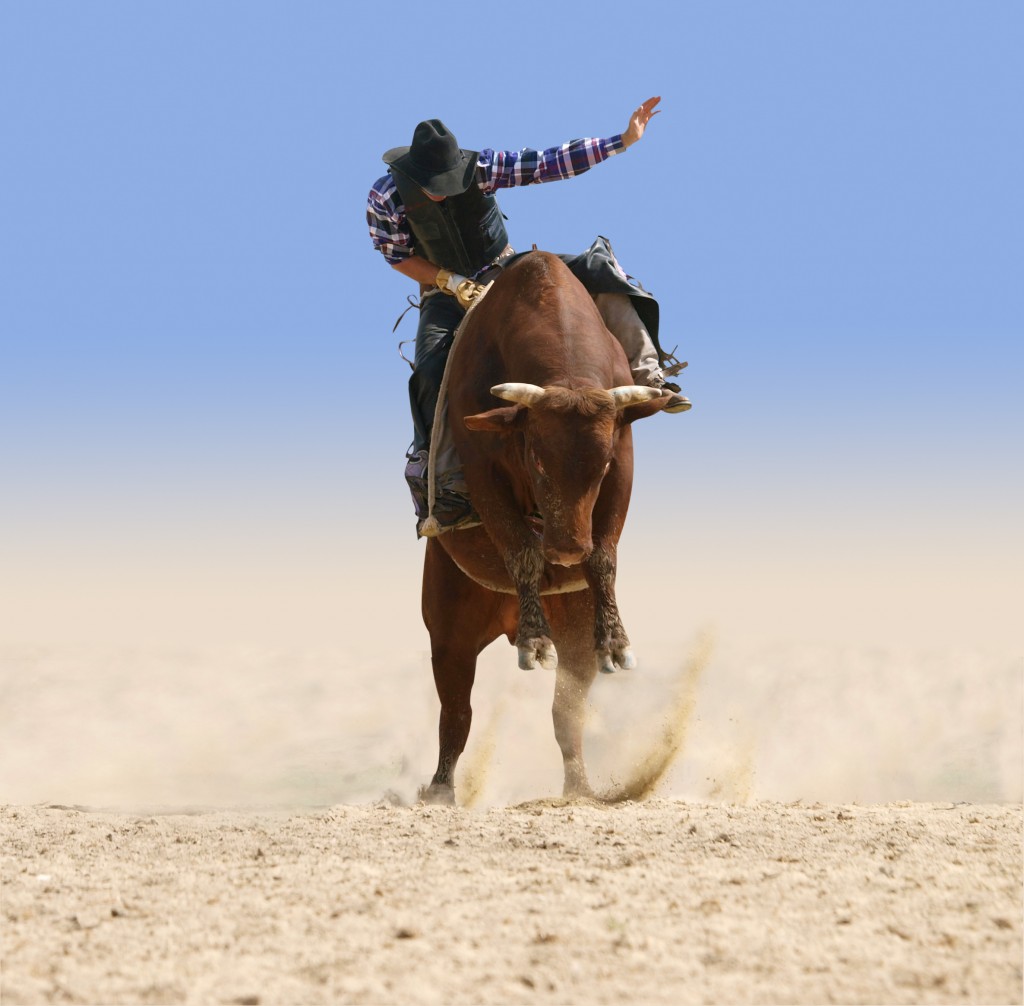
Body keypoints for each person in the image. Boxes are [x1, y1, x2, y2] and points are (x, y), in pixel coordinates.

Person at [367, 97, 690, 534]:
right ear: (412, 174)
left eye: (448, 180)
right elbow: (396, 256)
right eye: (433, 184)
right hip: (446, 290)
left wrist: (624, 141)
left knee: (602, 272)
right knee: (428, 368)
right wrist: (451, 282)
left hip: (506, 268)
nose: (443, 189)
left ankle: (650, 377)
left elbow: (548, 162)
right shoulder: (385, 196)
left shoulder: (479, 168)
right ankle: (440, 479)